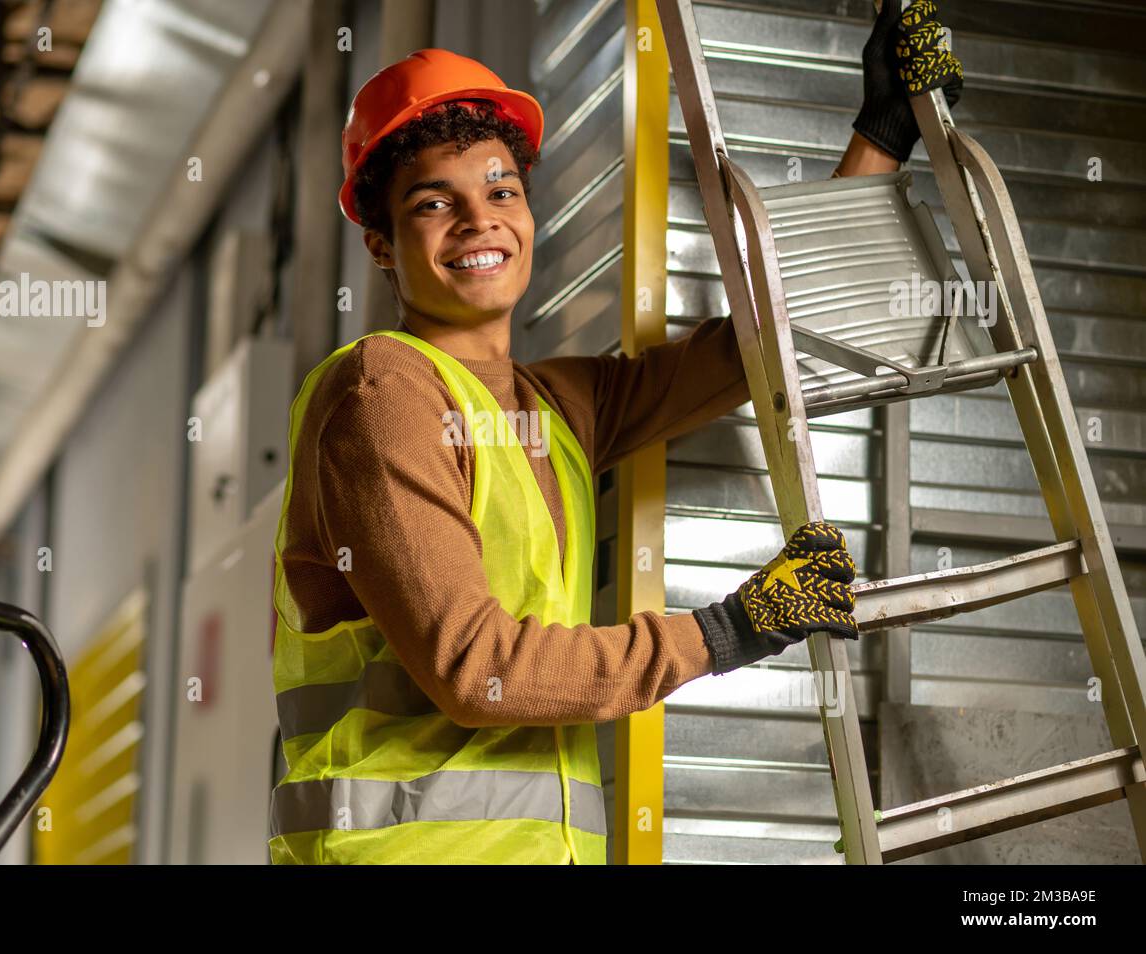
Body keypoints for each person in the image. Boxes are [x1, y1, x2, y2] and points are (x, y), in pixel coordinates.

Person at [268, 0, 964, 864]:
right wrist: (728, 630)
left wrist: (883, 134)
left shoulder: (556, 406)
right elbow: (474, 667)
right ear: (380, 245)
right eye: (432, 204)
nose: (478, 220)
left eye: (500, 190)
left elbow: (758, 340)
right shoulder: (380, 392)